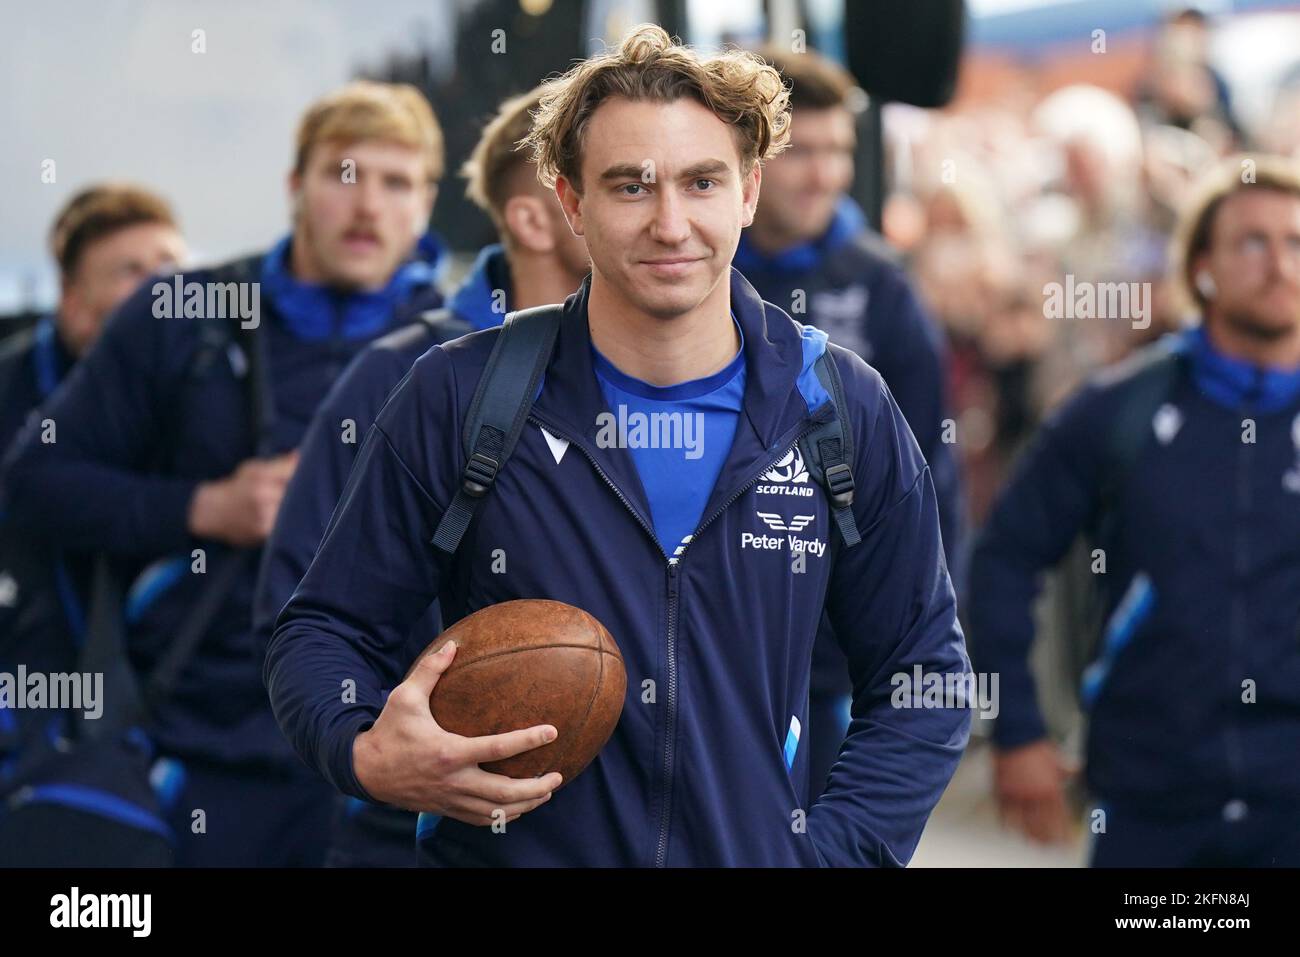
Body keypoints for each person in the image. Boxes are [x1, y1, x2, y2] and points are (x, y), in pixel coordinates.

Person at [267, 24, 970, 868]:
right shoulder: (460, 393)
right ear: (571, 202)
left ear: (747, 192)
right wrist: (364, 750)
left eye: (700, 182)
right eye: (630, 187)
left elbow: (922, 674)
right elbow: (320, 628)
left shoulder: (836, 403)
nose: (671, 223)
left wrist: (832, 854)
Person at [1, 80, 448, 867]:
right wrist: (206, 507)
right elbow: (34, 480)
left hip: (384, 765)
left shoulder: (463, 351)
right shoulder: (186, 315)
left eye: (397, 181)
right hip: (189, 751)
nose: (368, 205)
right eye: (344, 174)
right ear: (294, 187)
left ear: (427, 203)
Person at [252, 84, 589, 867]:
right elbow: (299, 609)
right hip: (408, 837)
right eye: (613, 182)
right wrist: (381, 748)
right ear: (541, 214)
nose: (648, 212)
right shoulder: (404, 373)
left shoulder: (667, 379)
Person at [970, 156, 1300, 866]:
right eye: (1252, 241)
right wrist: (1018, 728)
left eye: (1296, 242)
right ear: (1202, 266)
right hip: (1152, 805)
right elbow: (1002, 556)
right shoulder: (1118, 410)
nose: (1279, 263)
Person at [738, 46, 965, 801]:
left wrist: (923, 644)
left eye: (839, 151)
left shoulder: (879, 285)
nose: (826, 174)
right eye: (804, 151)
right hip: (706, 638)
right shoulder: (691, 266)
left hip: (831, 652)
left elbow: (930, 469)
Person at [0, 184, 184, 786]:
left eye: (172, 268)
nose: (165, 289)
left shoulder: (217, 393)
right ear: (74, 303)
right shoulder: (13, 392)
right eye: (133, 272)